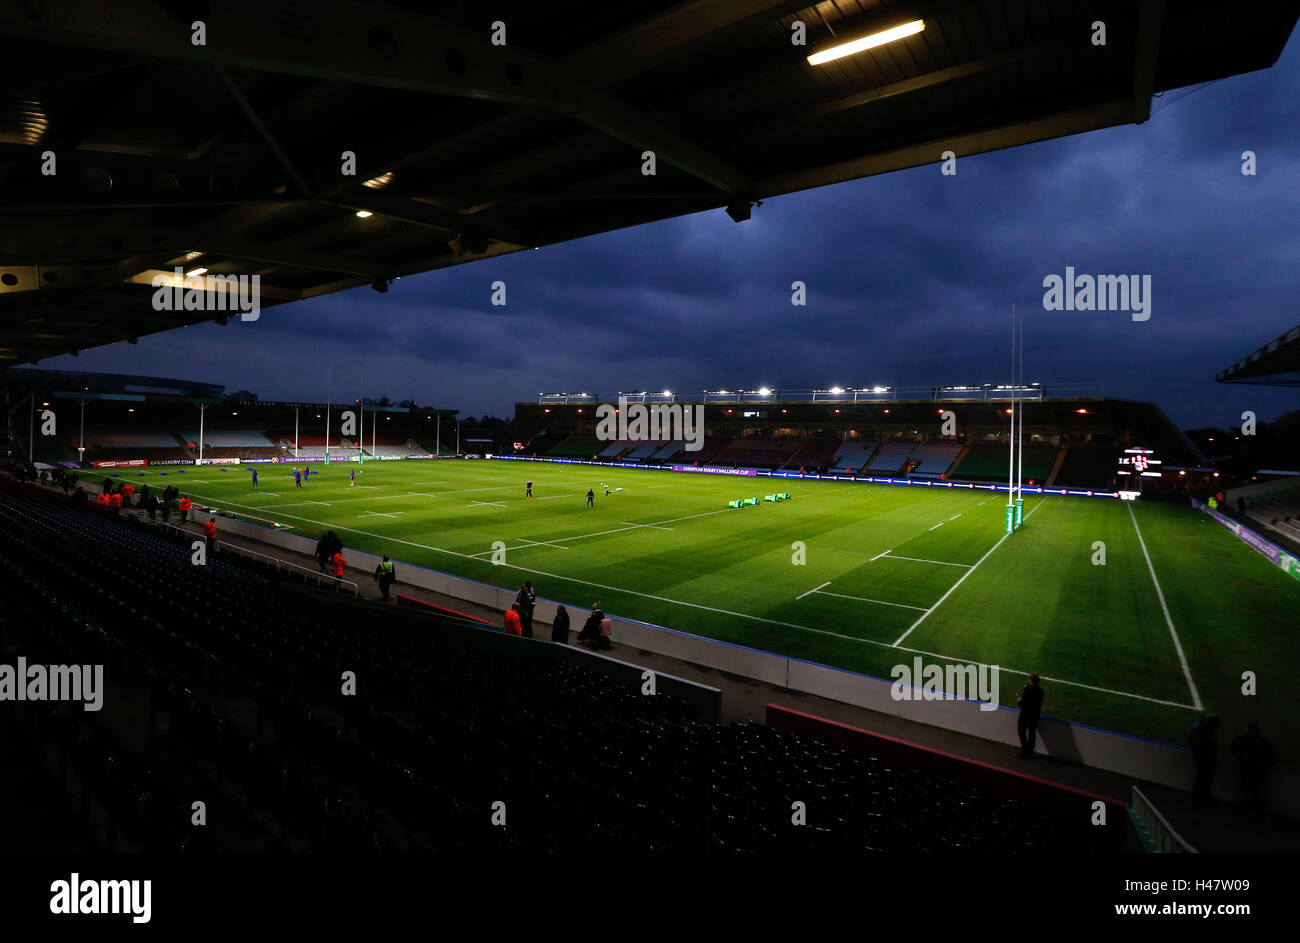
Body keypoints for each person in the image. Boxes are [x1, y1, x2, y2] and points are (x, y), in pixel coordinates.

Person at [1230, 724, 1277, 819]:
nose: (1247, 734)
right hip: (1252, 771)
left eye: (1249, 732)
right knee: (1253, 792)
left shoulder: (1259, 743)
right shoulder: (1263, 744)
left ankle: (1253, 811)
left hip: (1254, 771)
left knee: (1253, 792)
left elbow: (1272, 759)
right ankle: (1254, 811)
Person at [1189, 715, 1220, 802]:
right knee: (1203, 776)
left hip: (1204, 756)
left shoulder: (1199, 728)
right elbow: (1198, 745)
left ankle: (1201, 796)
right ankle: (1200, 796)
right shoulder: (1201, 731)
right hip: (1204, 757)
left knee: (1203, 776)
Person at [1016, 674, 1045, 759]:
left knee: (1021, 731)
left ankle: (1025, 751)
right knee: (1032, 733)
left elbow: (1023, 704)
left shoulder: (1027, 691)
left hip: (1025, 715)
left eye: (1029, 679)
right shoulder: (1041, 691)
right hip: (1035, 715)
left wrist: (1019, 700)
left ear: (1031, 680)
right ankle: (1030, 752)